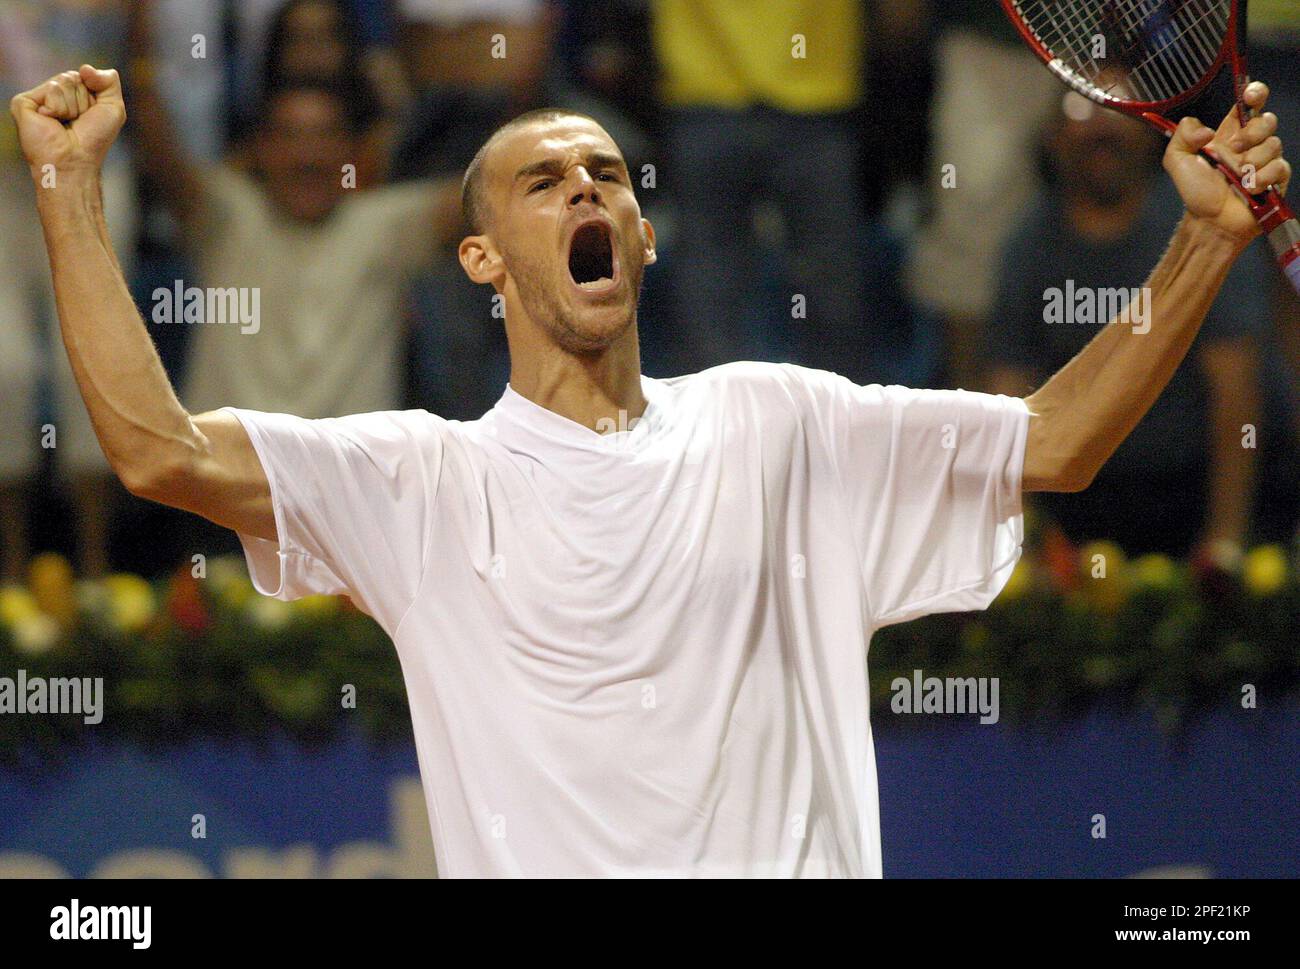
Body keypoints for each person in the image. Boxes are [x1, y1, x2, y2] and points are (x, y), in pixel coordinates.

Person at [11, 64, 1290, 877]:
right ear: (483, 261)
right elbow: (152, 446)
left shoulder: (783, 425)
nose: (586, 188)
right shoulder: (420, 482)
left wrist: (1201, 239)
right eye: (544, 178)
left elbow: (1057, 441)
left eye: (608, 177)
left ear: (640, 237)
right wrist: (68, 188)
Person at [984, 92, 1271, 558]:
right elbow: (1006, 399)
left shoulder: (1205, 218)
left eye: (1119, 112)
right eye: (1080, 111)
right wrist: (1020, 546)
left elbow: (1235, 391)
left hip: (1184, 492)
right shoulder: (1026, 248)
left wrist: (1224, 542)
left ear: (1151, 134)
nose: (1101, 127)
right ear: (1052, 140)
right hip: (1070, 512)